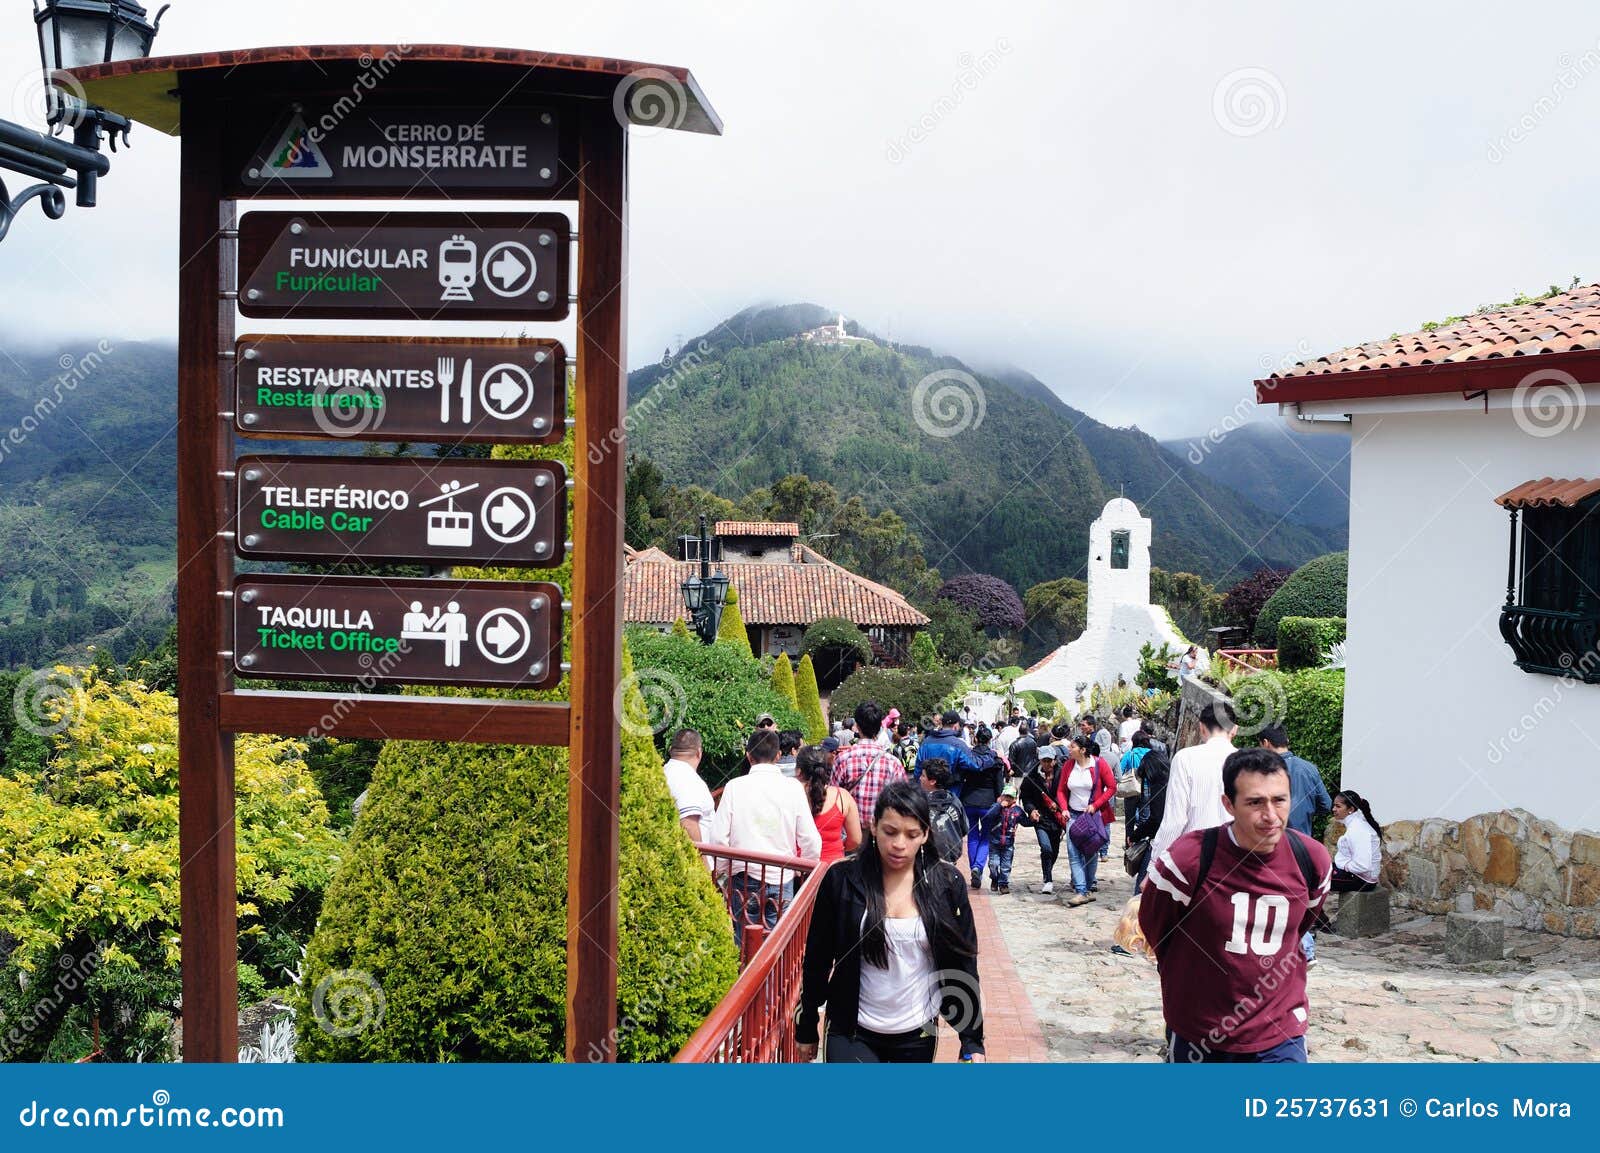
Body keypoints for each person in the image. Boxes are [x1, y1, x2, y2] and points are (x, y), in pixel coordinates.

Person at [1138, 748, 1332, 1063]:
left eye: (1279, 800)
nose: (1270, 816)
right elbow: (1156, 925)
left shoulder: (1311, 860)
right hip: (1201, 1035)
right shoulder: (1189, 859)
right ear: (1228, 804)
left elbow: (1302, 924)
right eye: (1255, 802)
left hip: (1280, 1034)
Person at [796, 781, 985, 1063]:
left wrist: (971, 1040)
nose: (899, 844)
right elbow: (818, 957)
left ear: (925, 835)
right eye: (890, 831)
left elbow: (962, 962)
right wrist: (807, 1023)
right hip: (851, 1030)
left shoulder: (946, 884)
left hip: (917, 1031)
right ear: (873, 826)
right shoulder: (842, 880)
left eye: (911, 834)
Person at [713, 729, 823, 945]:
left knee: (743, 942)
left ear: (748, 755)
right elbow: (811, 840)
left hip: (743, 877)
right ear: (778, 756)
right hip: (782, 877)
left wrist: (723, 874)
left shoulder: (734, 787)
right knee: (779, 944)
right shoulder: (793, 788)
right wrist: (804, 870)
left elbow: (718, 838)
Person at [1259, 723, 1333, 964]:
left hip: (1271, 842)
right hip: (1303, 844)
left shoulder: (1264, 770)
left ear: (1266, 743)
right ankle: (1305, 948)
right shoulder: (1309, 768)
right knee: (1299, 896)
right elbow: (1326, 804)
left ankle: (1280, 947)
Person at [1147, 702, 1238, 871]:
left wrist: (1154, 864)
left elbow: (1175, 820)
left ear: (1201, 728)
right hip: (1234, 860)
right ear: (1234, 729)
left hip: (1193, 859)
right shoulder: (1247, 761)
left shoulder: (1185, 758)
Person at [829, 701, 907, 826]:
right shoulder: (894, 764)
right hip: (882, 835)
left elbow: (833, 800)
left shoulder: (843, 759)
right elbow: (903, 802)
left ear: (857, 726)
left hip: (851, 834)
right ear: (879, 727)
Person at [1061, 735, 1116, 906]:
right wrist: (1063, 808)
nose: (1069, 749)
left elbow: (1112, 787)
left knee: (1091, 853)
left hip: (1092, 816)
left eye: (1072, 747)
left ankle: (1088, 888)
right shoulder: (1069, 766)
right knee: (1073, 853)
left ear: (1083, 750)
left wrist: (1096, 805)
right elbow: (1061, 790)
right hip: (1073, 815)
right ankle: (1081, 890)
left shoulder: (1099, 764)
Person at [797, 745, 862, 865]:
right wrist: (836, 848)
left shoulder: (789, 795)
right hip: (833, 868)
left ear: (798, 771)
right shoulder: (842, 797)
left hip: (798, 868)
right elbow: (856, 839)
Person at [959, 724, 1005, 889]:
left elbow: (961, 777)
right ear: (990, 740)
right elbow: (999, 785)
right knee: (985, 836)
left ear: (976, 739)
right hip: (988, 802)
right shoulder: (995, 759)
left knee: (972, 836)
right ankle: (978, 866)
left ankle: (974, 868)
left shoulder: (968, 756)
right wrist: (1000, 801)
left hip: (969, 799)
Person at [1018, 744, 1066, 894]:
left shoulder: (1062, 774)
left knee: (1055, 849)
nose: (1046, 764)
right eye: (1043, 761)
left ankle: (1047, 871)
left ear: (1054, 760)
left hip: (1057, 818)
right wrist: (1031, 810)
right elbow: (1025, 796)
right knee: (1046, 848)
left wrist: (1060, 807)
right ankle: (1048, 879)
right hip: (1040, 818)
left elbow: (1067, 794)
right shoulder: (1032, 776)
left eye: (1049, 760)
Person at [661, 729, 715, 842]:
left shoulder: (661, 772)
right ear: (699, 753)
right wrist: (702, 859)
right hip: (690, 856)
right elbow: (688, 824)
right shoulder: (689, 780)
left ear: (670, 750)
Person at [918, 759, 970, 865]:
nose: (920, 778)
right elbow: (965, 828)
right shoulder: (955, 801)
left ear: (932, 781)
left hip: (927, 858)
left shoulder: (921, 803)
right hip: (951, 856)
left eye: (923, 776)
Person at [1330, 791, 1383, 892]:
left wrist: (1343, 866)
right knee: (1315, 870)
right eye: (1334, 806)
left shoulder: (1358, 828)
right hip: (1357, 875)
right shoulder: (1356, 823)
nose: (1333, 809)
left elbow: (1363, 865)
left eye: (1338, 806)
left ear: (1351, 809)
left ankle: (1311, 907)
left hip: (1362, 880)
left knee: (1313, 879)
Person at [980, 784, 1026, 893]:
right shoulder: (996, 807)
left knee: (1006, 866)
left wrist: (1034, 820)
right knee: (993, 864)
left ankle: (1003, 884)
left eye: (1010, 797)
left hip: (1008, 843)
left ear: (1014, 799)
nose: (1007, 799)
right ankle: (995, 879)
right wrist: (999, 805)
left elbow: (1025, 821)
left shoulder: (1017, 811)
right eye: (1006, 796)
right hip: (995, 841)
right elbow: (988, 816)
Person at [916, 709, 981, 781]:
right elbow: (974, 765)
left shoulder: (926, 742)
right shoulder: (958, 744)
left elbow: (918, 770)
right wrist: (990, 755)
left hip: (928, 790)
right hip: (952, 790)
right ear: (956, 726)